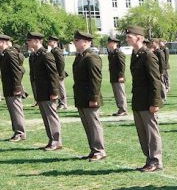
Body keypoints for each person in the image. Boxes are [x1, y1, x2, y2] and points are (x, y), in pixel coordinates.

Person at [125, 26, 165, 172]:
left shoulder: (148, 55)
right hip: (138, 100)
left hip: (148, 101)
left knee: (151, 132)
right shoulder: (135, 54)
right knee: (142, 132)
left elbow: (155, 81)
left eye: (130, 37)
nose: (127, 39)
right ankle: (149, 159)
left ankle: (155, 160)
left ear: (139, 38)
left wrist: (155, 102)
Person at [70, 31, 106, 161]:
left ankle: (99, 150)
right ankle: (93, 149)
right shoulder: (81, 56)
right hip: (81, 96)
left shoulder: (91, 57)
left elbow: (96, 79)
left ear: (85, 42)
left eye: (77, 40)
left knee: (94, 124)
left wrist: (94, 98)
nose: (74, 43)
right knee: (87, 125)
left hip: (89, 96)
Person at [27, 33, 62, 150]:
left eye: (30, 40)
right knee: (46, 117)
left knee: (51, 116)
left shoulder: (46, 55)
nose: (27, 42)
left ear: (37, 41)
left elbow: (53, 74)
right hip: (41, 91)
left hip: (48, 91)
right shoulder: (36, 55)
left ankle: (56, 141)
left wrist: (54, 91)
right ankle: (51, 139)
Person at [0, 34, 28, 141]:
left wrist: (17, 88)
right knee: (13, 111)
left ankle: (20, 132)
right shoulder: (4, 54)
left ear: (4, 42)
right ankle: (17, 131)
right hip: (8, 86)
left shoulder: (10, 54)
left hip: (13, 87)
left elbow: (17, 71)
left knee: (16, 110)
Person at [106, 35, 128, 117]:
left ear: (114, 43)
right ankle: (120, 109)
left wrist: (121, 76)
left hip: (118, 77)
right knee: (117, 94)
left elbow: (122, 65)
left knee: (120, 93)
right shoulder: (112, 53)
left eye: (110, 42)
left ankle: (123, 109)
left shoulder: (119, 53)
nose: (108, 44)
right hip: (113, 76)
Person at [47, 36, 67, 109]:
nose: (48, 42)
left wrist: (60, 73)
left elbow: (61, 62)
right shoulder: (52, 50)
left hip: (58, 72)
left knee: (61, 88)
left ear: (55, 42)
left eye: (50, 41)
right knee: (57, 88)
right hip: (55, 72)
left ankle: (63, 103)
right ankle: (60, 102)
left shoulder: (57, 51)